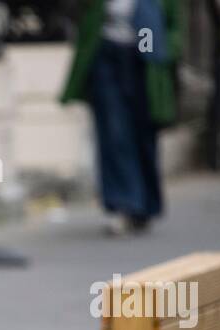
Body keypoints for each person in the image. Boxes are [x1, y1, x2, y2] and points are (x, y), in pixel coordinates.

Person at [60, 0, 182, 234]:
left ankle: (144, 205)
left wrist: (165, 50)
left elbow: (174, 25)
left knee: (143, 133)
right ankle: (121, 204)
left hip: (145, 56)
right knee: (113, 131)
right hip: (107, 53)